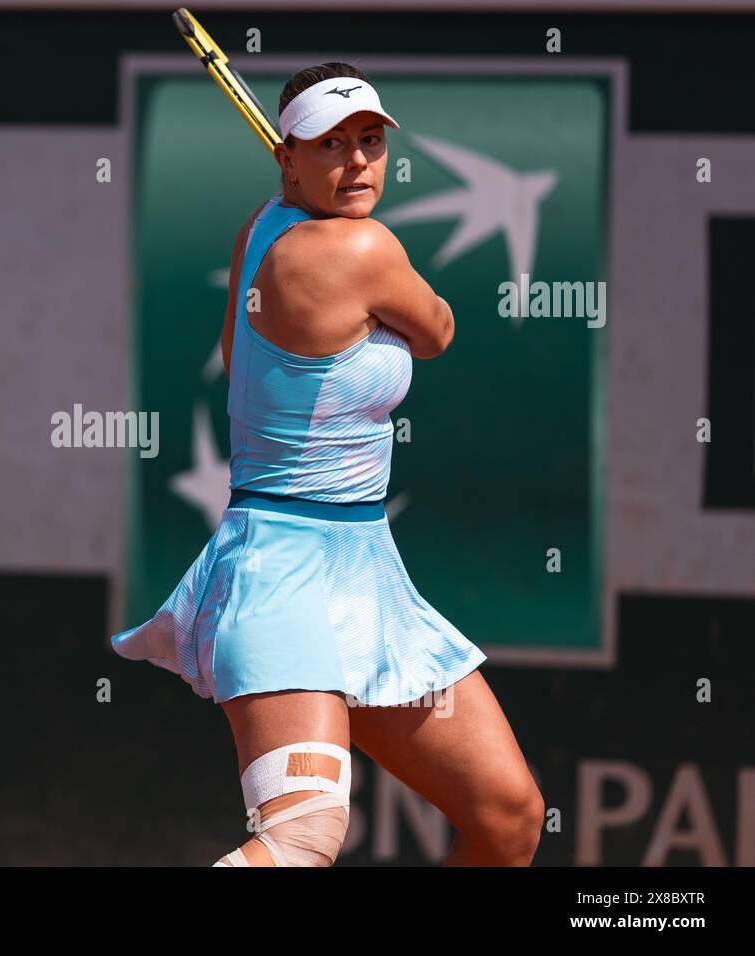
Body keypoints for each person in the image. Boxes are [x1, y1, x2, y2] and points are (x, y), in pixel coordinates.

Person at [111, 64, 544, 866]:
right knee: (304, 838)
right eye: (331, 145)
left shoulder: (263, 227)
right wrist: (391, 282)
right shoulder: (363, 246)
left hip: (368, 577)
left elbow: (232, 346)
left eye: (371, 143)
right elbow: (439, 328)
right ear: (288, 158)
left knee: (510, 817)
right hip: (284, 576)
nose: (357, 163)